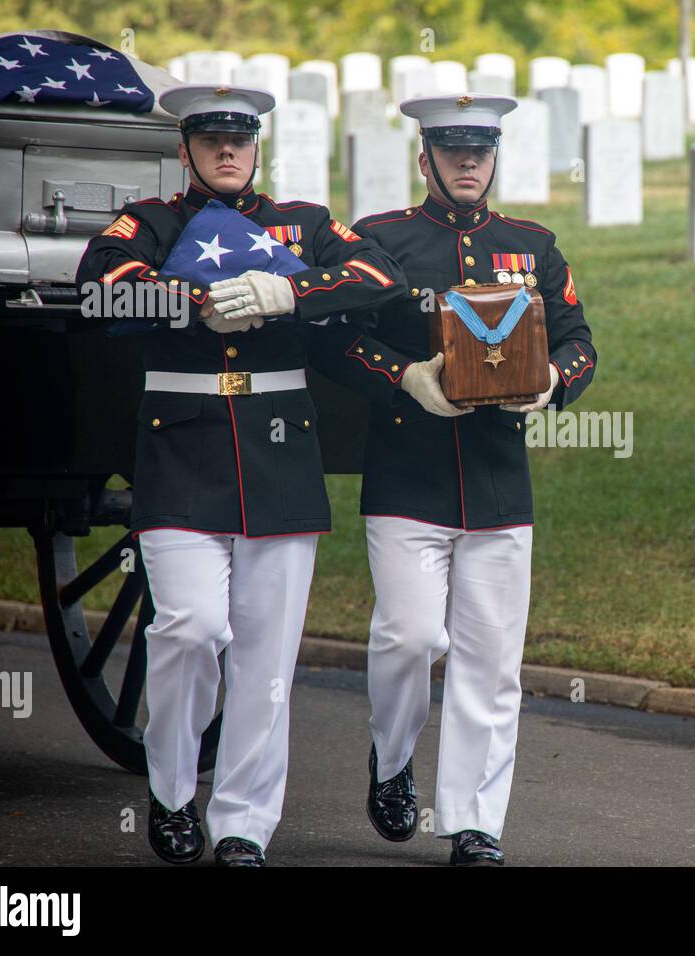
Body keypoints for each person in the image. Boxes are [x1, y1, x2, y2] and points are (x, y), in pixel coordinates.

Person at [76, 84, 405, 866]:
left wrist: (288, 288)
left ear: (257, 147)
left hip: (279, 452)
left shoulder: (303, 225)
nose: (228, 152)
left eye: (240, 140)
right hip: (181, 446)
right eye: (211, 140)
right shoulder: (151, 223)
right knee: (189, 628)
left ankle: (244, 826)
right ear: (185, 148)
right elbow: (99, 287)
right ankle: (171, 792)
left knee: (264, 661)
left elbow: (378, 274)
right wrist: (198, 301)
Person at [327, 93, 597, 865]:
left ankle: (475, 822)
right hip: (407, 478)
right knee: (409, 638)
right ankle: (390, 755)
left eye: (481, 150)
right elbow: (336, 341)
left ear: (496, 158)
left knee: (490, 661)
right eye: (453, 151)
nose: (469, 163)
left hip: (498, 483)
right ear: (426, 160)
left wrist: (549, 381)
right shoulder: (380, 241)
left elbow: (580, 341)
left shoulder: (533, 246)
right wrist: (404, 375)